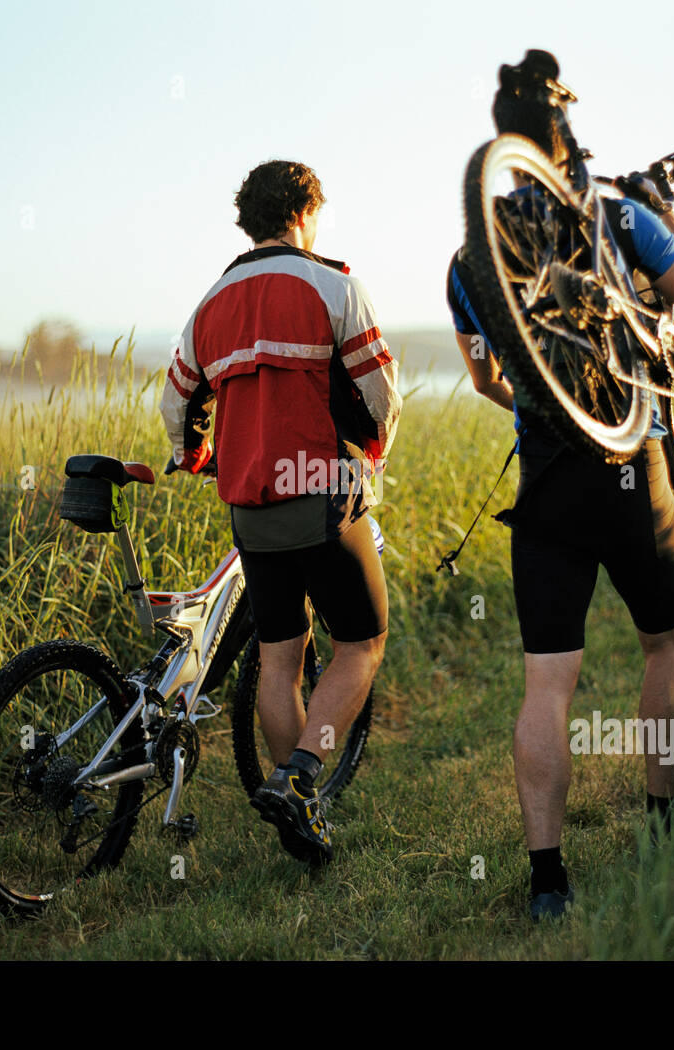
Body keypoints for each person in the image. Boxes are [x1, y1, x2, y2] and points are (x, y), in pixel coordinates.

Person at [447, 50, 674, 921]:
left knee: (548, 682)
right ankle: (659, 820)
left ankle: (547, 882)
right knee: (665, 647)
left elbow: (485, 378)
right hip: (632, 472)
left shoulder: (470, 257)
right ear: (565, 134)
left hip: (546, 479)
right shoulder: (616, 214)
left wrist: (544, 396)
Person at [161, 159, 401, 867]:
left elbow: (176, 405)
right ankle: (299, 777)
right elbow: (382, 391)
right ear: (305, 212)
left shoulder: (208, 305)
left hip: (250, 512)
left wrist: (201, 457)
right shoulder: (332, 285)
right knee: (361, 644)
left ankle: (299, 812)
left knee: (280, 660)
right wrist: (373, 457)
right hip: (322, 496)